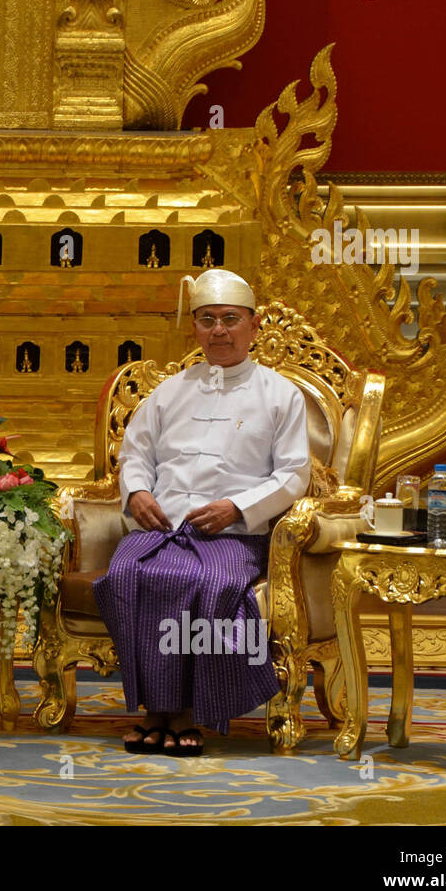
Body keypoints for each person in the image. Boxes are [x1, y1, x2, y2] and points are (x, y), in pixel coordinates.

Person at [92, 269, 310, 757]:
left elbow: (294, 475)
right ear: (194, 328)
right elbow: (134, 456)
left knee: (215, 586)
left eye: (230, 319)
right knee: (126, 573)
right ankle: (154, 708)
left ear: (254, 327)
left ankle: (191, 710)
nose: (219, 330)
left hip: (234, 535)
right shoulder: (169, 391)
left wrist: (238, 506)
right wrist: (136, 494)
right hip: (163, 528)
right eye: (207, 320)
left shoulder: (281, 395)